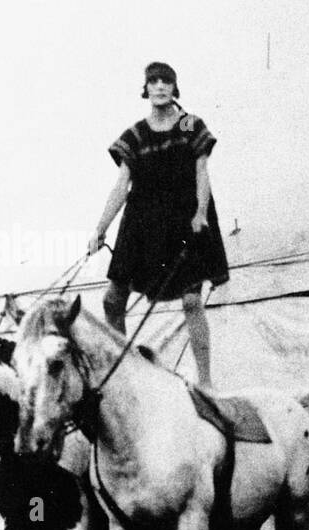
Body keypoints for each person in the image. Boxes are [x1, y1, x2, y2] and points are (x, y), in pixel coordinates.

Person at [87, 61, 229, 387]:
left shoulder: (191, 125)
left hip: (184, 220)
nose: (160, 86)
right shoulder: (135, 135)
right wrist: (100, 229)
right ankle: (126, 375)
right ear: (146, 88)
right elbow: (121, 184)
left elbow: (202, 171)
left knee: (192, 300)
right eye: (154, 81)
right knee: (112, 301)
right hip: (142, 225)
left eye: (166, 81)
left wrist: (201, 213)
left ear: (174, 87)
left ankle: (206, 381)